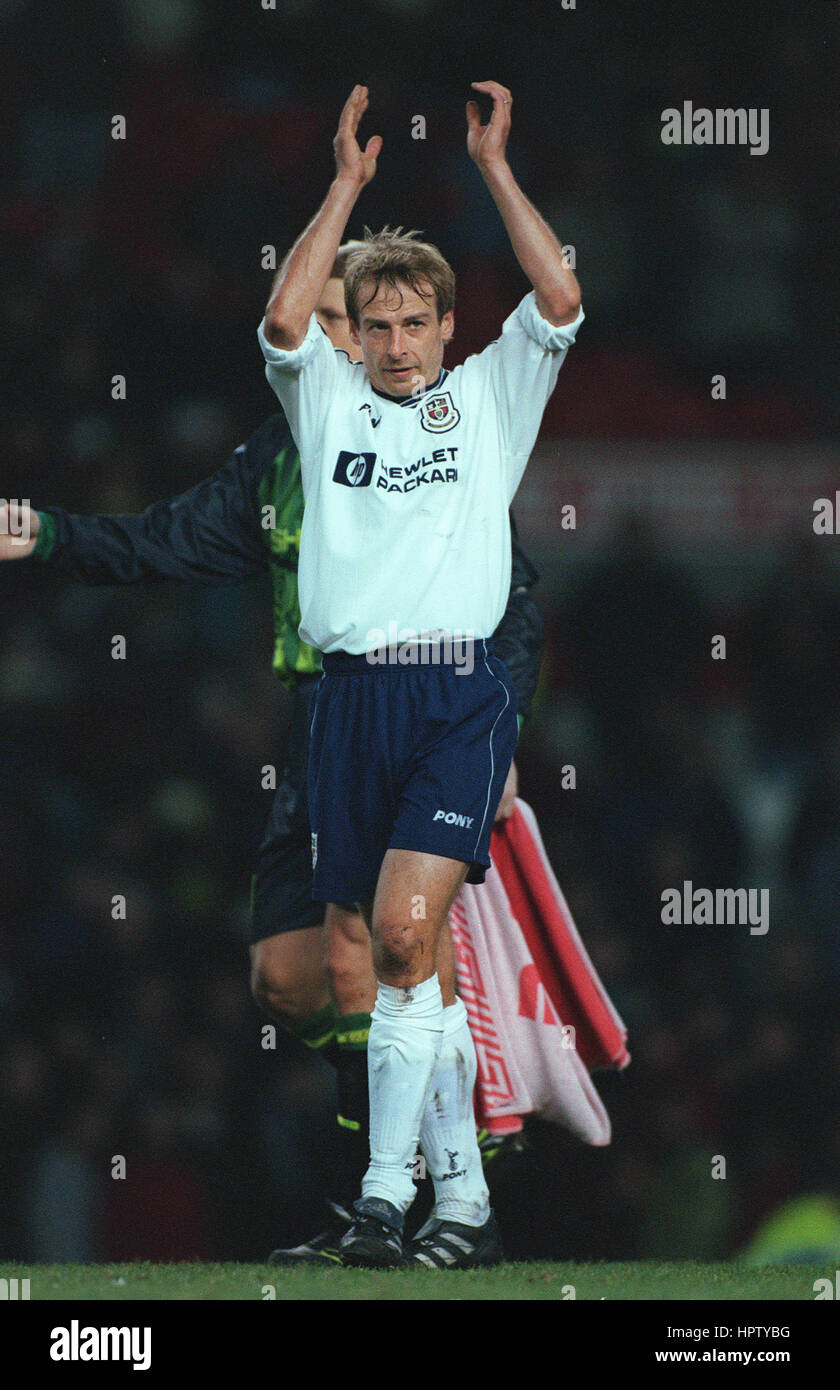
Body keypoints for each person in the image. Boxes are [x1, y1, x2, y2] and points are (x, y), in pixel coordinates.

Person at [0, 252, 544, 1265]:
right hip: (321, 732)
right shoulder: (280, 454)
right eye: (343, 319)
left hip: (424, 718)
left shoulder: (442, 435)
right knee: (285, 980)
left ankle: (394, 1201)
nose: (356, 340)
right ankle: (434, 1166)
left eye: (369, 320)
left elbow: (510, 599)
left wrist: (498, 734)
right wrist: (49, 535)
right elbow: (170, 540)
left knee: (372, 955)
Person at [258, 81, 582, 1267]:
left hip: (455, 695)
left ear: (449, 329)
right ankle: (467, 1208)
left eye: (414, 325)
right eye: (377, 326)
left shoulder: (494, 399)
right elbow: (286, 321)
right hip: (347, 702)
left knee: (400, 932)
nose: (393, 346)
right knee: (401, 957)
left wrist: (496, 169)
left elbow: (560, 296)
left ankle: (385, 1195)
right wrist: (344, 185)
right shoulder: (324, 394)